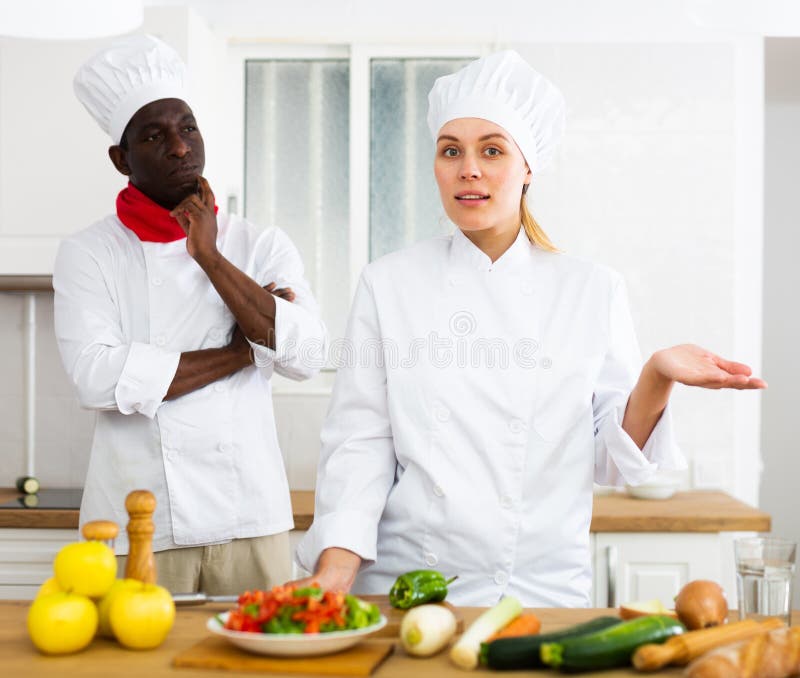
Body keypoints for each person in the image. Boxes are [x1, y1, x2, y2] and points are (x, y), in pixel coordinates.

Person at [295, 51, 766, 606]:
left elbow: (612, 460)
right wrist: (337, 570)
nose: (469, 168)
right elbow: (360, 443)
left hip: (538, 594)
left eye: (491, 150)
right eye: (451, 151)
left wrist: (656, 377)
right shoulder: (387, 283)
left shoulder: (591, 290)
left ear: (528, 167)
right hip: (406, 588)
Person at [54, 34, 327, 594]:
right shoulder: (89, 252)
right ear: (121, 158)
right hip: (142, 520)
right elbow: (99, 378)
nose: (181, 148)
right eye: (155, 136)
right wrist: (242, 349)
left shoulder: (259, 244)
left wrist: (207, 253)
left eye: (188, 128)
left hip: (252, 515)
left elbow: (307, 354)